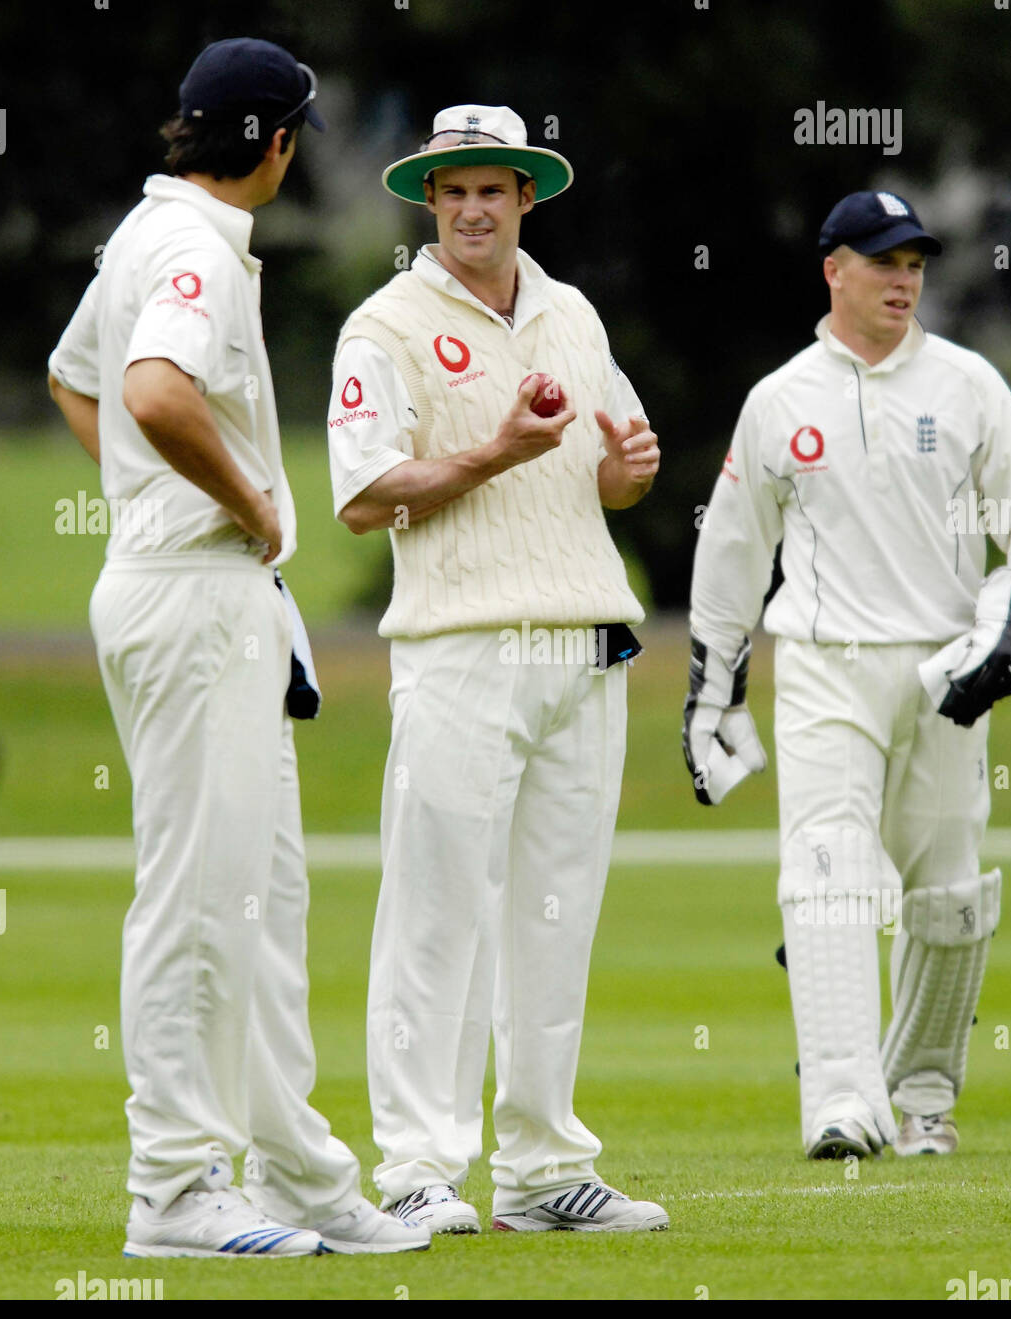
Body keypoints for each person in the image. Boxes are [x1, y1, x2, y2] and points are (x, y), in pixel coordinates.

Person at [48, 38, 427, 1256]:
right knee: (200, 900)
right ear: (269, 141)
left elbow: (75, 381)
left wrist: (148, 493)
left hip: (195, 590)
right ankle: (171, 1188)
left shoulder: (143, 233)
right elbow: (151, 393)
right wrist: (249, 503)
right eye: (294, 140)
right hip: (196, 592)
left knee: (262, 899)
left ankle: (300, 1179)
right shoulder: (198, 251)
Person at [328, 104, 668, 1233]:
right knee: (438, 914)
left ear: (529, 197)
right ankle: (420, 1169)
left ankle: (539, 1168)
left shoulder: (572, 313)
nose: (474, 209)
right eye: (454, 190)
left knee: (553, 916)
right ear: (430, 201)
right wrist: (494, 451)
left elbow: (612, 478)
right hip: (460, 646)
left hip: (581, 641)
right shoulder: (383, 325)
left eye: (494, 190)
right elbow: (367, 499)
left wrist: (631, 467)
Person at [684, 190, 1011, 1160]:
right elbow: (733, 551)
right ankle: (841, 1104)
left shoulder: (966, 383)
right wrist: (712, 687)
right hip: (825, 666)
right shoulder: (781, 400)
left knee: (946, 895)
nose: (904, 280)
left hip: (946, 668)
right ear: (835, 270)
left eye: (915, 264)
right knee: (827, 873)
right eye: (884, 262)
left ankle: (924, 1100)